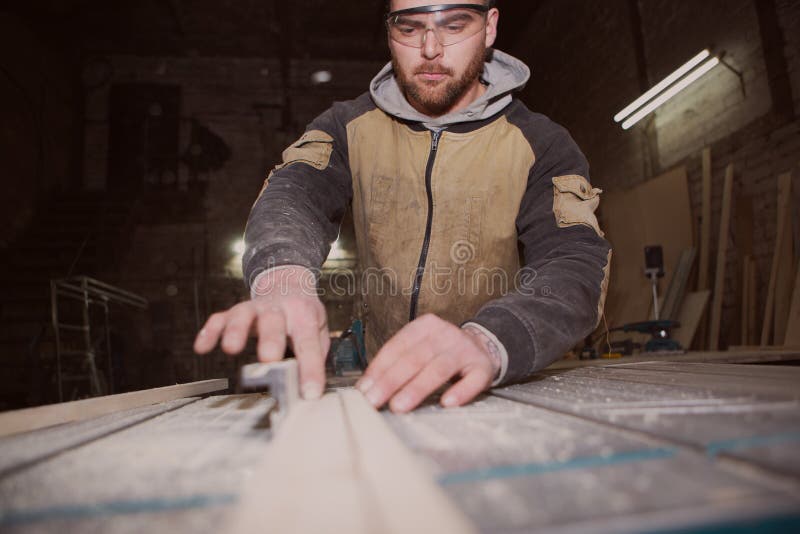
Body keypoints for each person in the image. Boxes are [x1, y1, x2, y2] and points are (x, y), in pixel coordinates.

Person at [194, 0, 611, 413]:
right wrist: (281, 276)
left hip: (493, 377)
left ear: (490, 27)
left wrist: (488, 340)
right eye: (410, 28)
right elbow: (296, 192)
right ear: (389, 32)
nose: (431, 49)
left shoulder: (542, 144)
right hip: (374, 370)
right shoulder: (345, 126)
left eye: (453, 25)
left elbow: (573, 260)